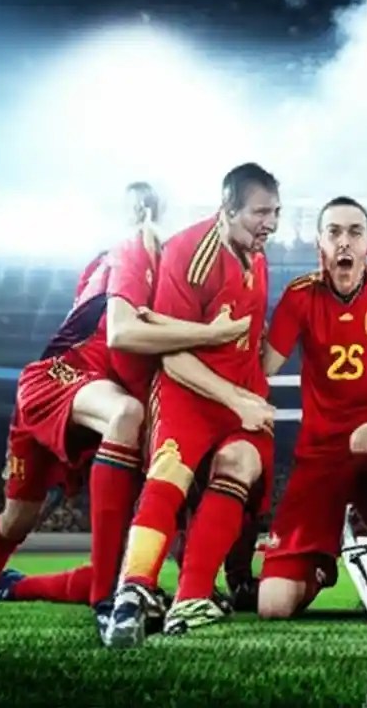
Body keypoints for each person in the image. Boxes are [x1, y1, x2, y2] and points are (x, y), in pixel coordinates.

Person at [0, 182, 250, 647]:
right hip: (62, 381)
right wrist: (210, 334)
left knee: (142, 540)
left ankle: (40, 587)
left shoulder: (180, 278)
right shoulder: (132, 250)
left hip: (109, 405)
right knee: (16, 521)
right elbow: (122, 334)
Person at [104, 163, 281, 648]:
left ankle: (191, 598)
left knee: (241, 464)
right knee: (171, 472)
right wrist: (233, 398)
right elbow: (170, 353)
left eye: (275, 213)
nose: (269, 224)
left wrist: (248, 395)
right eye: (259, 213)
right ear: (228, 209)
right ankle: (132, 592)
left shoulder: (258, 257)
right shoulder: (188, 253)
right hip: (189, 391)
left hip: (238, 396)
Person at [254, 196, 367, 626]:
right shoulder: (299, 297)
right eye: (334, 233)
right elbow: (261, 371)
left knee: (365, 435)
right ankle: (330, 559)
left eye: (354, 233)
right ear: (320, 247)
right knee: (273, 605)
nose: (344, 242)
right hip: (318, 456)